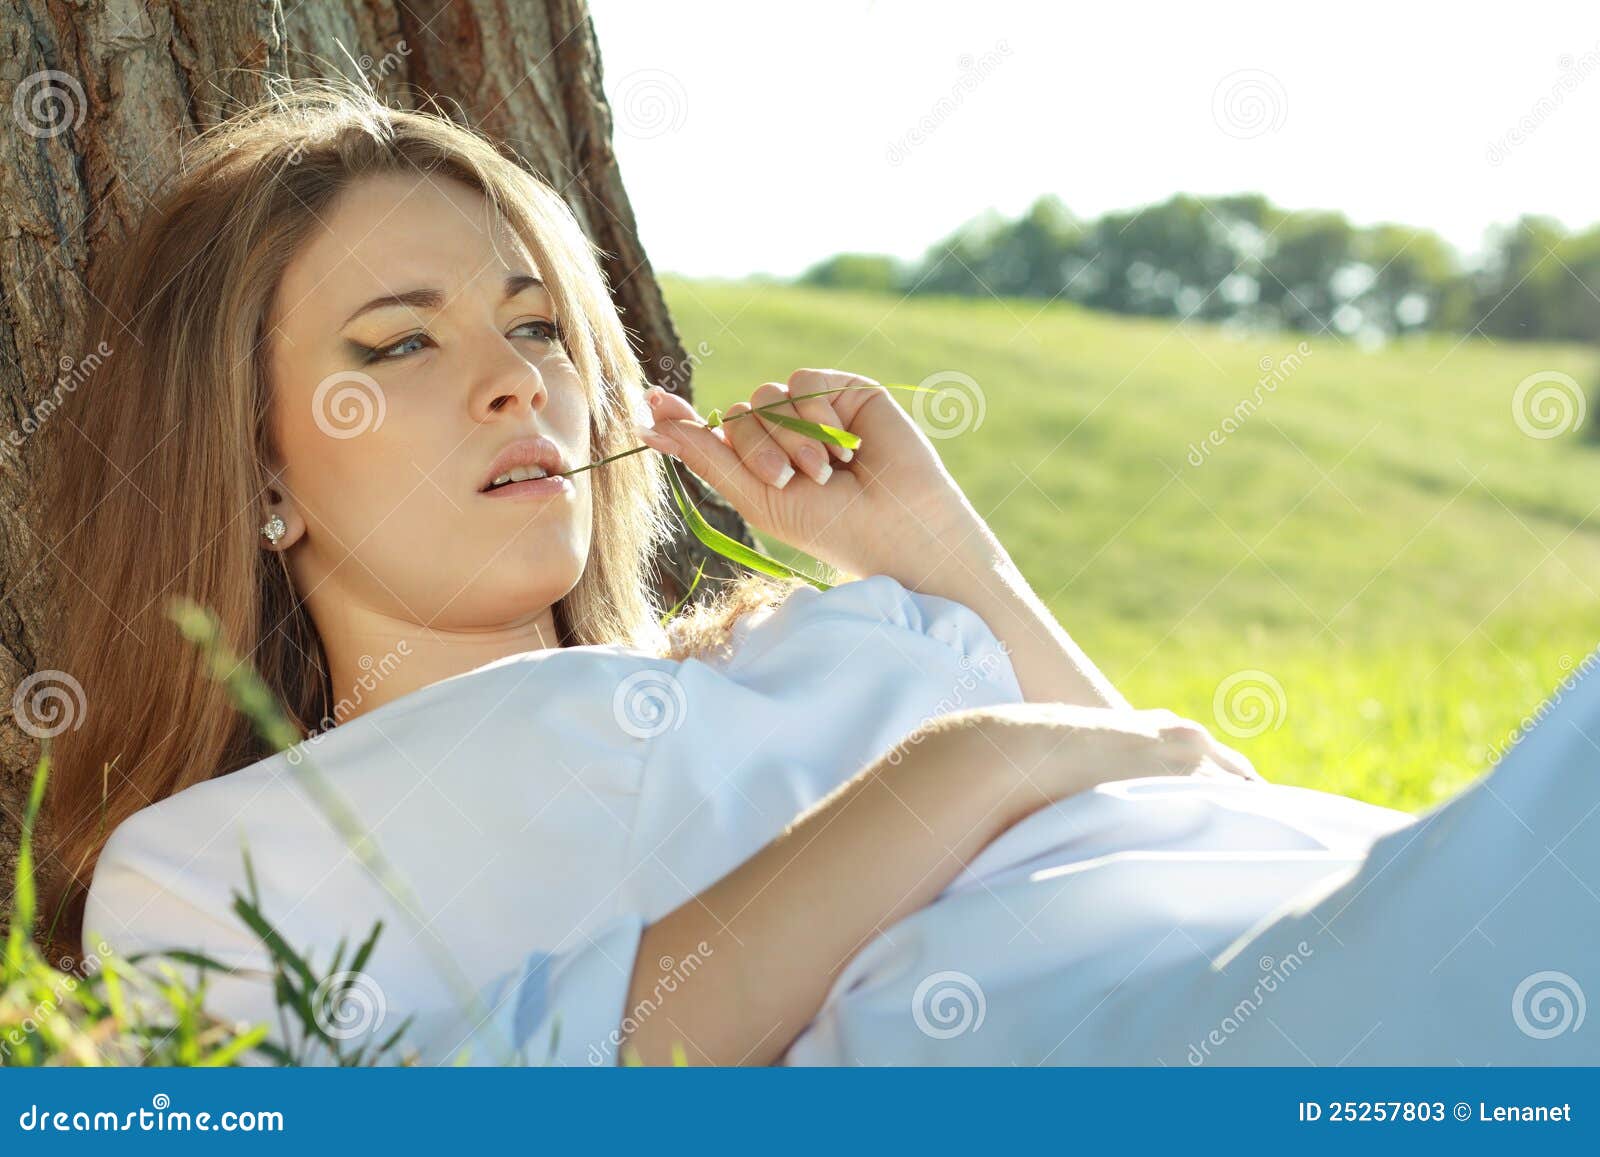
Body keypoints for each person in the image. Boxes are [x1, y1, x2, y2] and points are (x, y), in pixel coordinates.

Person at [37, 81, 1590, 1068]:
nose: (519, 381)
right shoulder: (207, 867)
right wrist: (958, 771)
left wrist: (940, 557)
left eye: (532, 325)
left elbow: (1204, 798)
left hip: (1334, 905)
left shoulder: (840, 640)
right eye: (401, 345)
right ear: (251, 471)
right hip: (1145, 1047)